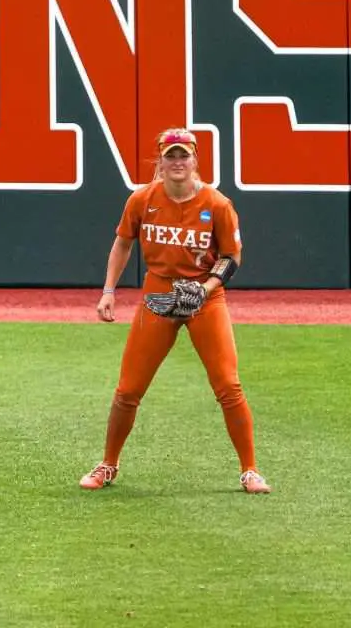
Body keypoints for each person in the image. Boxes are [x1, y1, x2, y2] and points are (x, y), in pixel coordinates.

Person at [80, 127, 271, 494]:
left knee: (228, 385)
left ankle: (250, 470)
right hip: (158, 294)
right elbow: (122, 243)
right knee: (128, 389)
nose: (178, 162)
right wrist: (108, 291)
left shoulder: (217, 204)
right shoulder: (142, 200)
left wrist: (205, 288)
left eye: (184, 155)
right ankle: (108, 465)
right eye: (171, 156)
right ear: (161, 162)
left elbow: (232, 257)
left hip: (205, 299)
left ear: (195, 159)